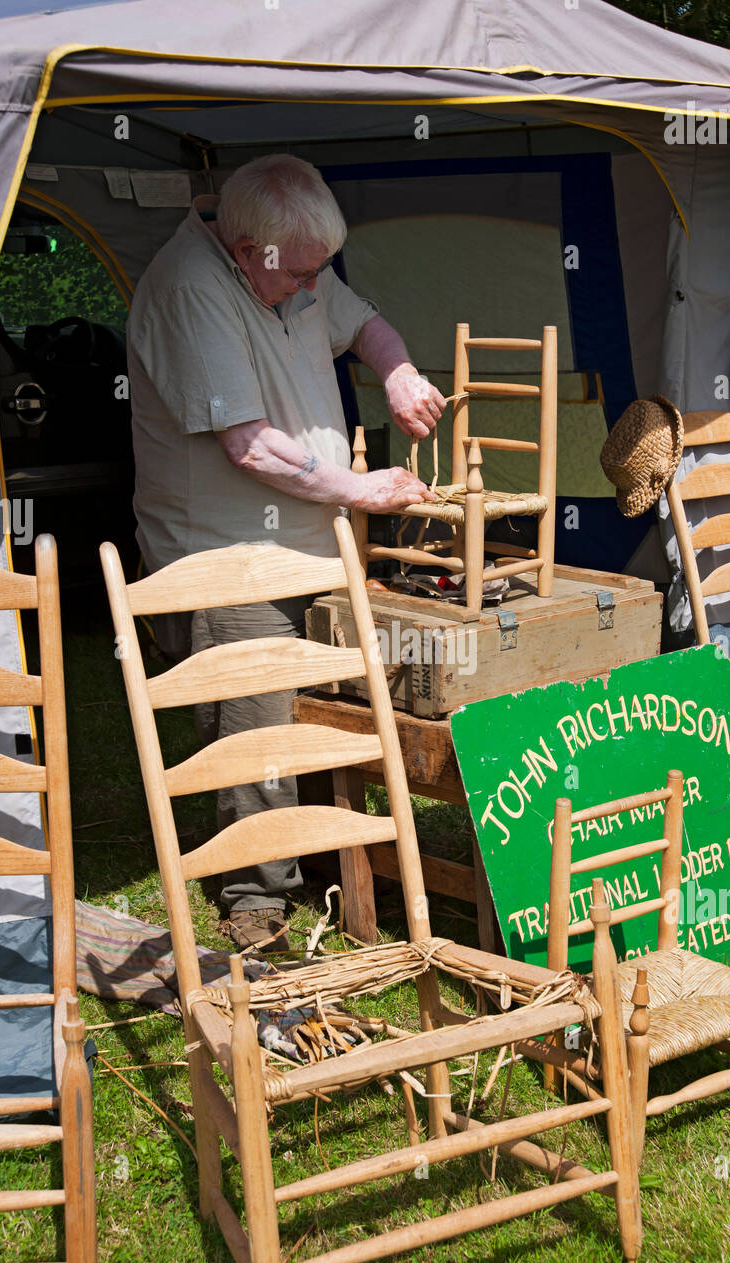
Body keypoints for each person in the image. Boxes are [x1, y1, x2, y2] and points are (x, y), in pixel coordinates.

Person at [127, 154, 444, 950]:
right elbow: (249, 447)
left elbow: (361, 320)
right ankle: (254, 896)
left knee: (323, 706)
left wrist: (398, 369)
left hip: (311, 537)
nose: (313, 287)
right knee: (257, 724)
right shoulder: (189, 288)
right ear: (246, 252)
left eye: (319, 270)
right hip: (225, 552)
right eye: (301, 274)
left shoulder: (291, 263)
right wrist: (364, 491)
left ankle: (330, 854)